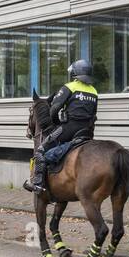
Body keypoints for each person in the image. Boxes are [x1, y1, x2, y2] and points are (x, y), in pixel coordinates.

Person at [23, 60, 99, 195]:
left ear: (75, 73)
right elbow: (93, 116)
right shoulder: (94, 91)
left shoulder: (69, 87)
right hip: (86, 132)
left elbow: (54, 110)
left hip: (69, 129)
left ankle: (37, 184)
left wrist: (56, 124)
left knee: (40, 151)